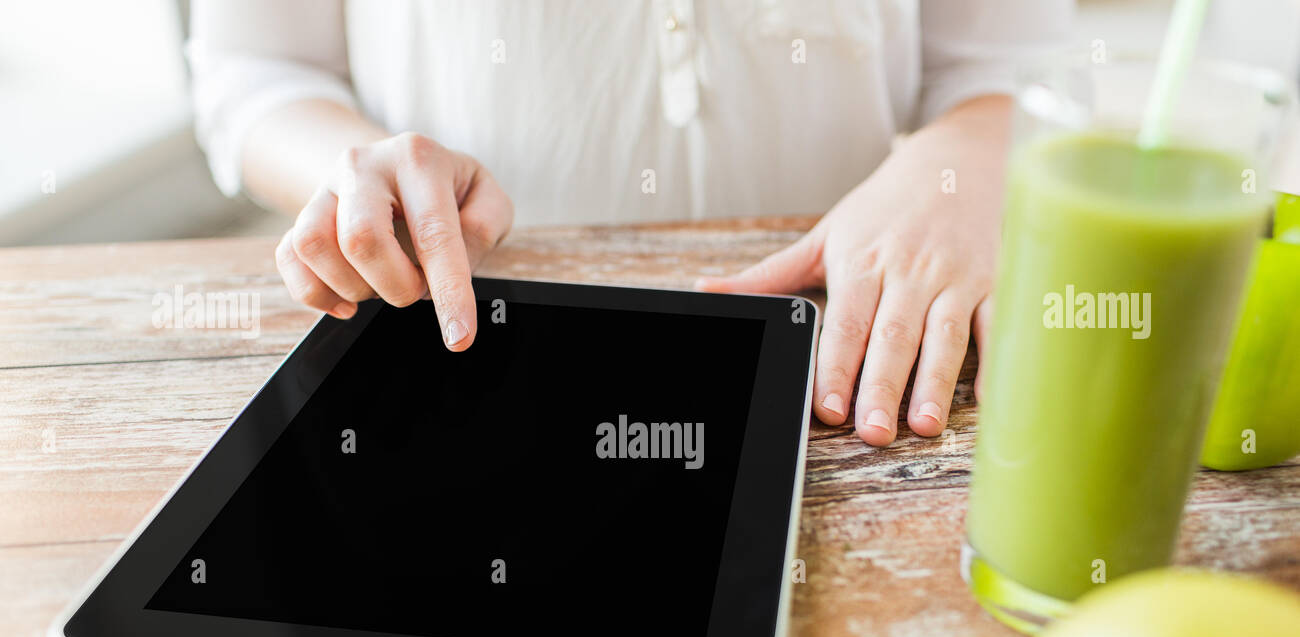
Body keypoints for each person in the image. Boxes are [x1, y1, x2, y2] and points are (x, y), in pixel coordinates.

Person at [189, 0, 1073, 446]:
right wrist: (358, 176)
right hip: (467, 373)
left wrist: (964, 159)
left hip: (841, 357)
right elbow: (256, 72)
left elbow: (1013, 70)